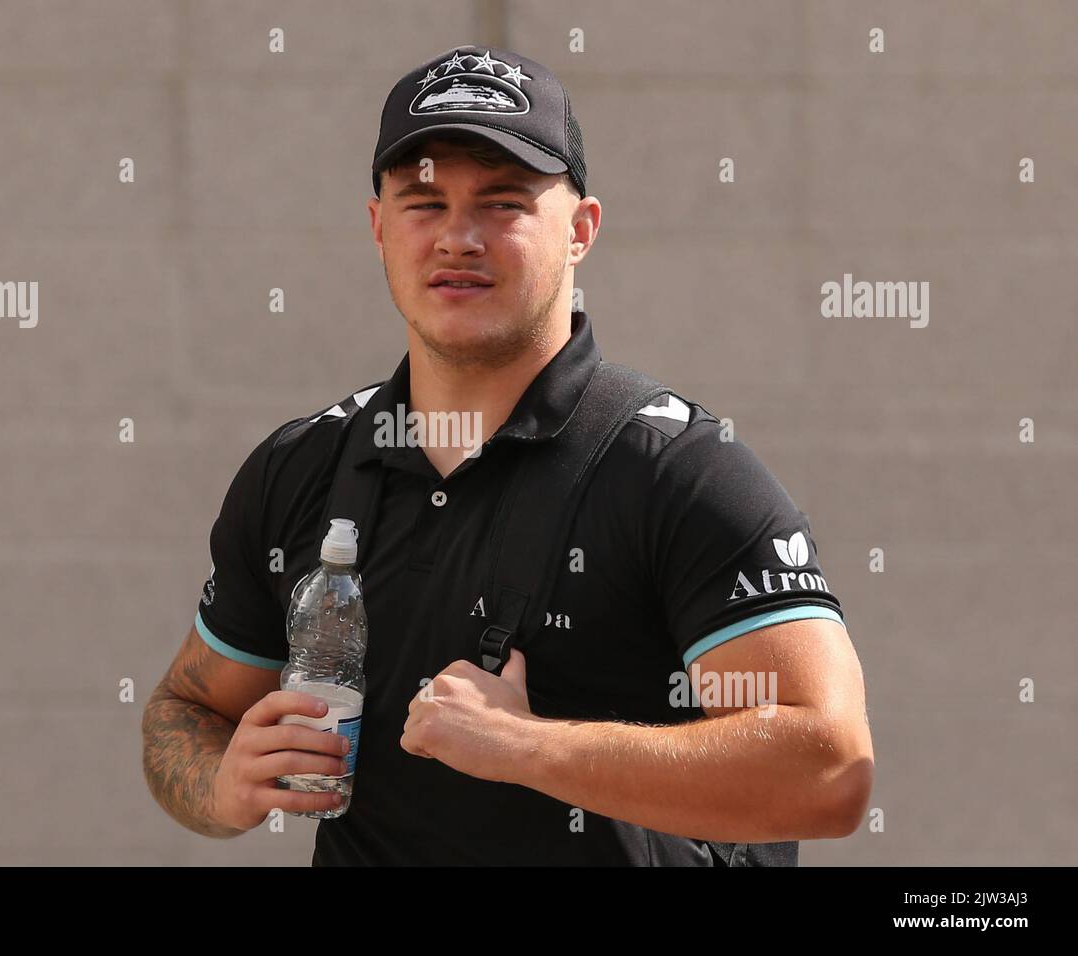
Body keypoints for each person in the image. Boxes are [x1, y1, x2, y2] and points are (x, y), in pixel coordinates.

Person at [142, 44, 874, 865]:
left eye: (504, 203)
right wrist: (221, 783)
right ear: (378, 227)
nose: (459, 237)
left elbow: (831, 770)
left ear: (580, 231)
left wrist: (528, 749)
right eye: (424, 202)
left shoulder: (681, 470)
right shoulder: (301, 468)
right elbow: (184, 709)